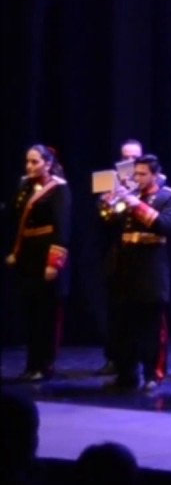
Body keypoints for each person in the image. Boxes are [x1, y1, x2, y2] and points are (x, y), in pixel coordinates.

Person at [100, 154, 171, 392]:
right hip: (125, 267)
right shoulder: (130, 194)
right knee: (124, 325)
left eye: (143, 174)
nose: (138, 178)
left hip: (151, 268)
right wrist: (109, 203)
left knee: (151, 327)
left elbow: (165, 226)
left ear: (155, 175)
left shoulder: (167, 197)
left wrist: (138, 206)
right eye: (136, 174)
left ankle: (153, 374)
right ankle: (127, 374)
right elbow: (108, 221)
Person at [7, 145, 70, 380]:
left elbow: (62, 228)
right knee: (30, 312)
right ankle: (31, 364)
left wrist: (54, 262)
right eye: (28, 162)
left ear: (48, 163)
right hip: (28, 257)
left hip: (46, 255)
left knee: (47, 315)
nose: (30, 166)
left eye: (35, 162)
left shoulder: (58, 190)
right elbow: (15, 218)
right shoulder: (24, 186)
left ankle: (45, 364)